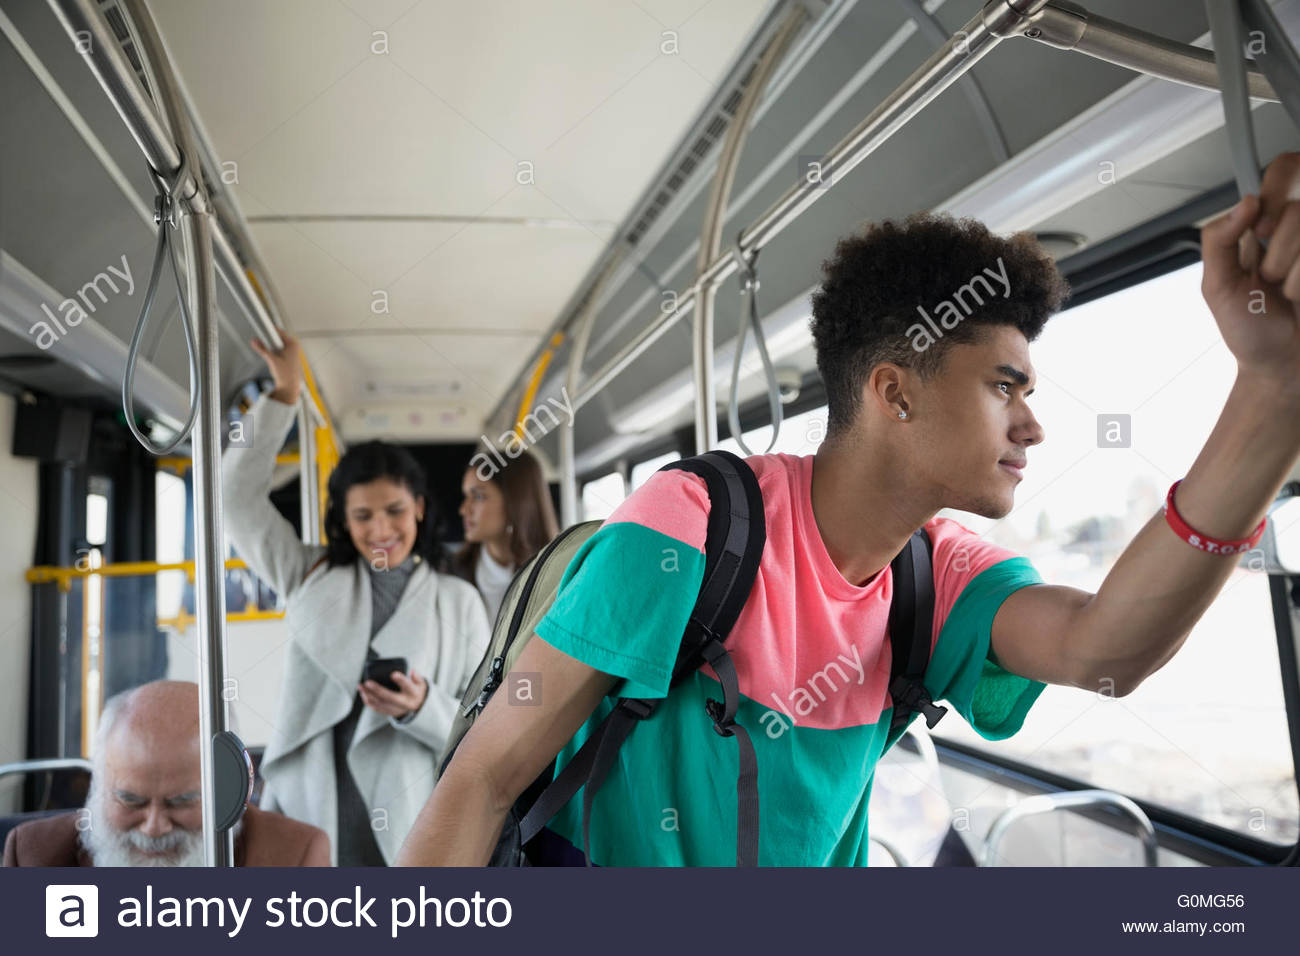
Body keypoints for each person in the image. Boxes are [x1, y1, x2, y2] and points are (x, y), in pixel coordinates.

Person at [396, 153, 1300, 866]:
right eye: (1004, 387)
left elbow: (1108, 648)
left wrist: (1270, 394)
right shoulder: (686, 529)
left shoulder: (936, 574)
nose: (1033, 427)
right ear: (894, 393)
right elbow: (480, 782)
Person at [221, 334, 490, 866]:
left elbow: (483, 721)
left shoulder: (458, 601)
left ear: (418, 507)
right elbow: (235, 499)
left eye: (393, 511)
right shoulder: (308, 571)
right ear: (343, 520)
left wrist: (420, 708)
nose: (381, 530)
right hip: (309, 800)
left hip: (411, 803)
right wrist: (283, 396)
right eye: (363, 516)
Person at [2, 681, 329, 867]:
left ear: (233, 790)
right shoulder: (33, 854)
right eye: (130, 800)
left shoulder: (293, 857)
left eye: (181, 802)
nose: (154, 827)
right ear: (99, 785)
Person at [451, 449, 559, 622]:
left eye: (478, 496)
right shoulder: (452, 572)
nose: (464, 509)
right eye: (466, 496)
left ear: (515, 502)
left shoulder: (559, 576)